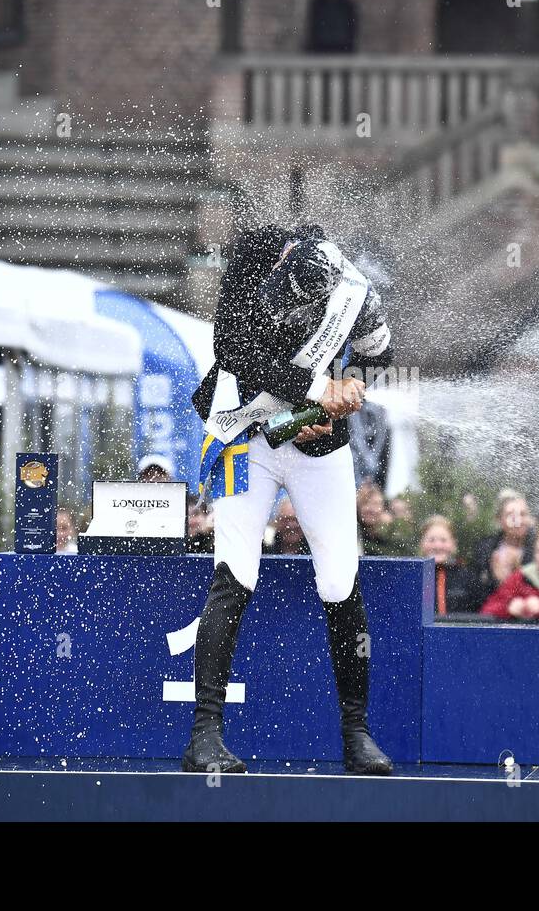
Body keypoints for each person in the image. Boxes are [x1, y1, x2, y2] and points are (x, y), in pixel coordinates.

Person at [185, 223, 394, 775]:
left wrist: (349, 383)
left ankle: (356, 733)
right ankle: (204, 735)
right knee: (234, 571)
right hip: (246, 433)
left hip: (319, 442)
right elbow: (231, 350)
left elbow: (379, 353)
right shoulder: (248, 260)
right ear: (277, 270)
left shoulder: (350, 286)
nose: (296, 321)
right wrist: (303, 397)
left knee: (340, 577)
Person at [471, 493, 535, 604]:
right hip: (492, 616)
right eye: (511, 515)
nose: (517, 520)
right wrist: (496, 580)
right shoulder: (485, 548)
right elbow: (475, 595)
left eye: (523, 514)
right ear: (499, 519)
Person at [419, 515, 479, 614]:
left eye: (443, 540)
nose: (437, 546)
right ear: (422, 544)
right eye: (431, 540)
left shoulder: (467, 575)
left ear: (453, 544)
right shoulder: (414, 577)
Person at [357, 480, 408, 556]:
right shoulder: (353, 531)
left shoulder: (390, 533)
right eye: (366, 503)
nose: (370, 509)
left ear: (383, 509)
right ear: (359, 507)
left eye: (376, 504)